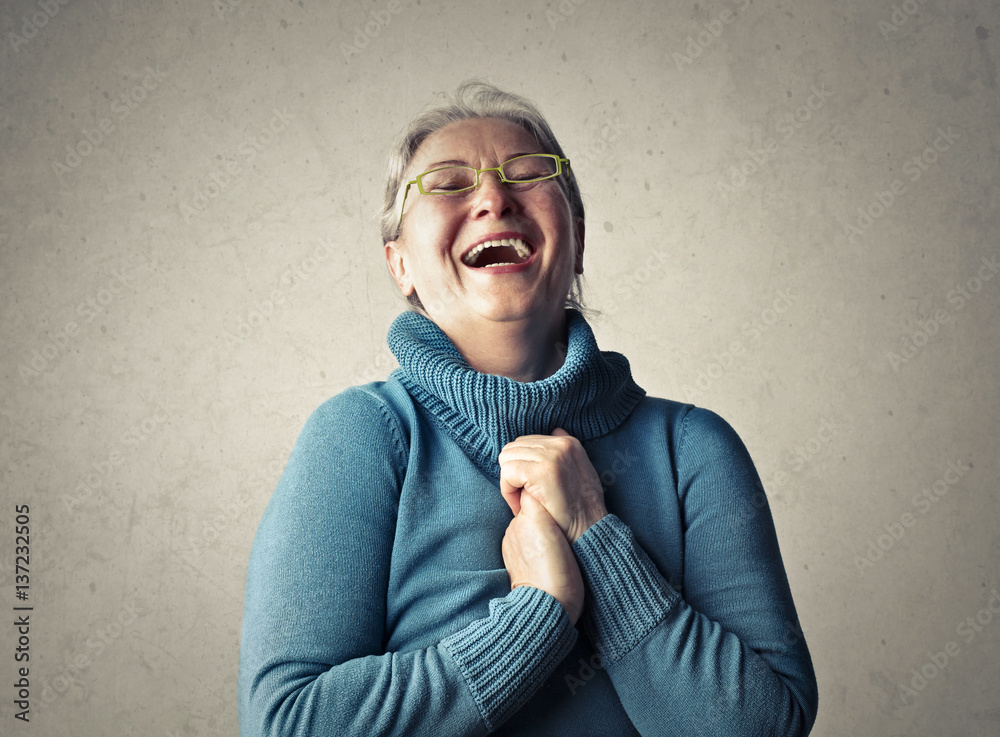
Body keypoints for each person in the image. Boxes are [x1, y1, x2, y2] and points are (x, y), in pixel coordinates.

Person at [238, 80, 818, 736]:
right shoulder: (362, 435)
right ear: (400, 264)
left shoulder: (694, 447)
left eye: (529, 174)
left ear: (576, 237)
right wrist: (541, 610)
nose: (492, 197)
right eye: (449, 183)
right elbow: (287, 724)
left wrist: (596, 531)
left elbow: (766, 728)